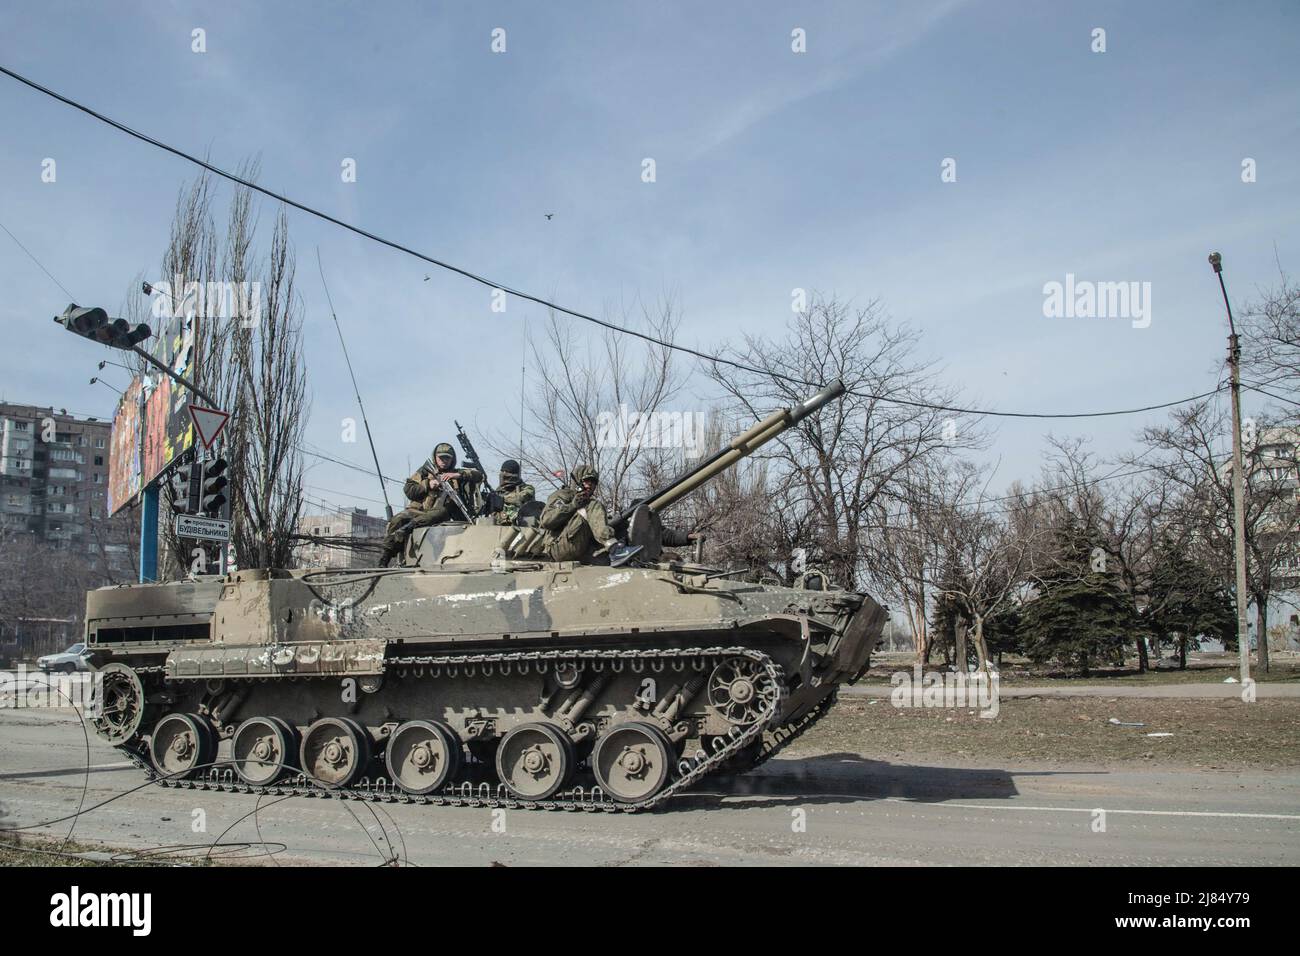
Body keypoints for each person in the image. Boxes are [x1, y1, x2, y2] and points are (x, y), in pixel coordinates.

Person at [378, 442, 483, 566]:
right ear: (435, 458)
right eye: (441, 458)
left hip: (439, 513)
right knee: (398, 520)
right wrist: (428, 484)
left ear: (452, 459)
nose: (444, 461)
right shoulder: (425, 471)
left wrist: (458, 475)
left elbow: (479, 476)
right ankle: (385, 557)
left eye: (447, 458)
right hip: (418, 511)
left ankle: (408, 527)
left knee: (439, 513)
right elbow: (409, 489)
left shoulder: (457, 474)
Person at [536, 464, 622, 562]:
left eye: (593, 481)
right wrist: (572, 506)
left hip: (580, 547)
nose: (590, 484)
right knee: (592, 505)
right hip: (558, 547)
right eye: (586, 480)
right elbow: (547, 521)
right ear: (578, 481)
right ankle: (614, 548)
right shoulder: (563, 495)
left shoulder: (588, 503)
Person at [490, 459, 536, 526]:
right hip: (502, 525)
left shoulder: (527, 488)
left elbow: (520, 497)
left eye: (507, 472)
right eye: (502, 471)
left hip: (524, 525)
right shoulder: (499, 490)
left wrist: (502, 499)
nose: (504, 474)